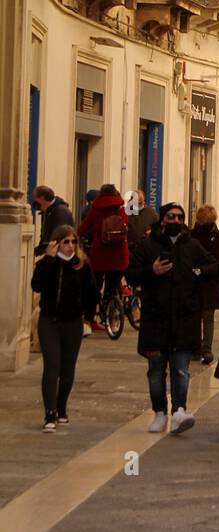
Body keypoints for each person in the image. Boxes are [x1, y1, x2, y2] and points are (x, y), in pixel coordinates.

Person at [127, 203, 219, 435]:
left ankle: (179, 410)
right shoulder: (147, 245)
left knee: (181, 370)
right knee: (156, 371)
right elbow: (131, 274)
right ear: (162, 219)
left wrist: (197, 273)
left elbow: (214, 265)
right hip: (155, 318)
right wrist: (153, 271)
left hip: (184, 318)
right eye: (171, 216)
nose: (176, 220)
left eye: (180, 217)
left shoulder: (192, 245)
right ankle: (159, 412)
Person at [31, 226, 98, 431]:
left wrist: (88, 318)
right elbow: (37, 286)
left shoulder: (82, 265)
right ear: (56, 242)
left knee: (68, 368)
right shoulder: (47, 263)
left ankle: (61, 408)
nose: (70, 246)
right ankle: (49, 413)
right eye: (66, 242)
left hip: (72, 322)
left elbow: (91, 293)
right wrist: (49, 260)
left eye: (73, 242)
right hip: (49, 321)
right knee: (52, 365)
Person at [78, 183, 129, 323]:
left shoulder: (95, 209)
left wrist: (73, 237)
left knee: (94, 287)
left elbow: (83, 228)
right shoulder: (121, 209)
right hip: (119, 255)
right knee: (112, 287)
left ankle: (88, 320)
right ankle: (111, 317)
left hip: (100, 254)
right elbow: (127, 227)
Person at [190, 205, 219, 364]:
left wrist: (202, 269)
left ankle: (205, 349)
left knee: (207, 316)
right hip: (195, 280)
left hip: (209, 280)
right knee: (197, 315)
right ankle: (196, 347)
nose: (201, 222)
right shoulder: (191, 235)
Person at [32, 186, 75, 256]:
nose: (34, 203)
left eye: (35, 199)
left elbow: (58, 237)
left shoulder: (60, 212)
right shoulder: (48, 210)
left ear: (42, 198)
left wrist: (39, 251)